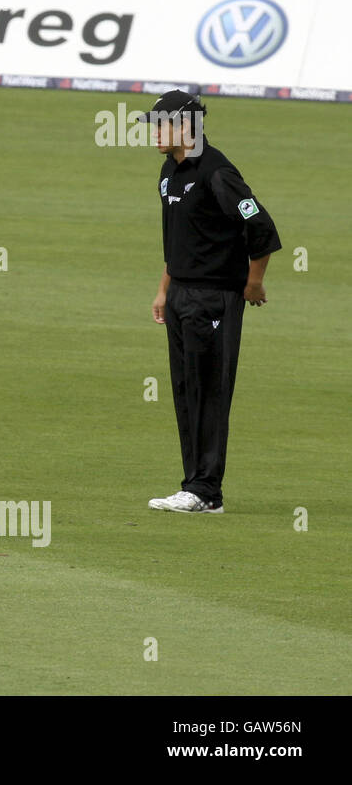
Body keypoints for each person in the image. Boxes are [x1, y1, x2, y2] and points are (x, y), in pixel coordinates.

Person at [144, 91, 280, 515]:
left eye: (161, 124)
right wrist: (165, 288)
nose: (154, 132)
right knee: (186, 389)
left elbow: (260, 226)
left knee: (209, 389)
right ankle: (193, 486)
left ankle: (207, 492)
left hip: (214, 297)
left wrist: (253, 284)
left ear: (186, 128)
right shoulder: (169, 171)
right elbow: (176, 239)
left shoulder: (218, 173)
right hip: (182, 293)